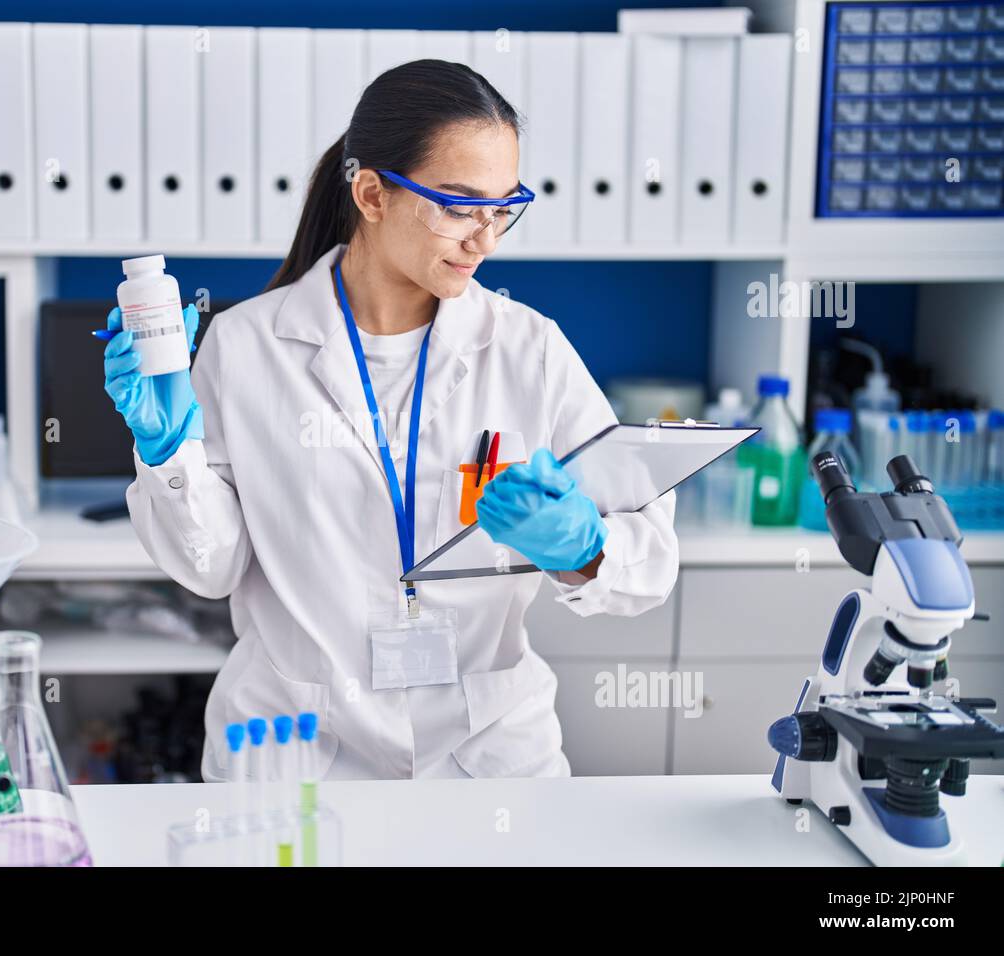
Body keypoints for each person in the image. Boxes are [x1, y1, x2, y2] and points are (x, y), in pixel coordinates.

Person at [103, 59, 678, 780]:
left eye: (504, 207)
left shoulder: (528, 349)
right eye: (458, 206)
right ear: (372, 194)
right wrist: (167, 454)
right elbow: (212, 570)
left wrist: (584, 545)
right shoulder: (247, 345)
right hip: (296, 753)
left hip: (489, 755)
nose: (486, 238)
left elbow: (652, 560)